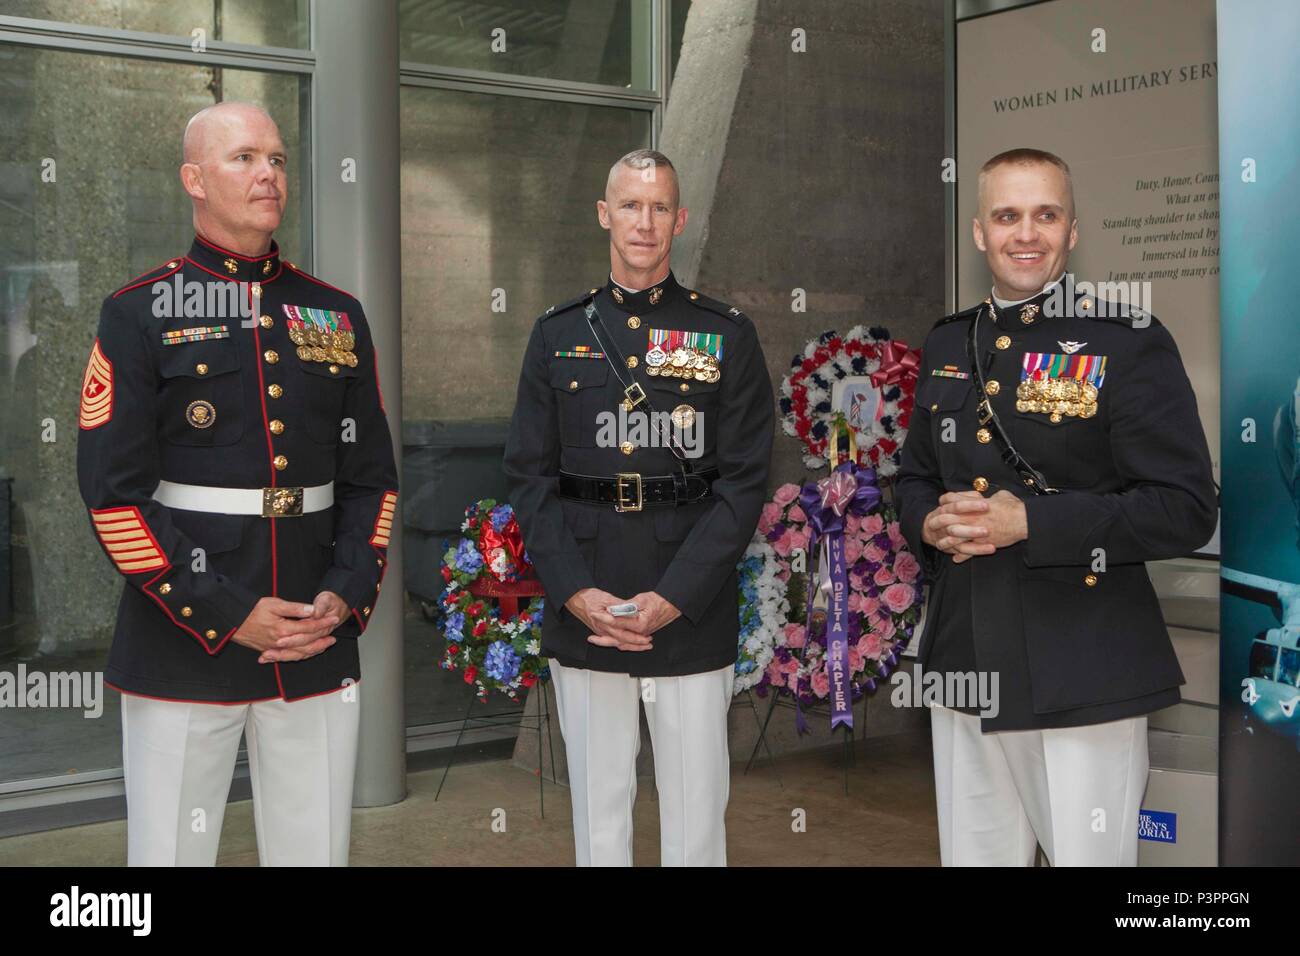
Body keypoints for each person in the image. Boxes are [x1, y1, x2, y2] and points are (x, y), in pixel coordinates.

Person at [76, 102, 398, 866]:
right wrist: (226, 610)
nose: (268, 175)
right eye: (244, 158)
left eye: (278, 160)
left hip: (315, 633)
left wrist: (345, 594)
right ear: (194, 179)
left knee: (315, 851)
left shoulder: (336, 313)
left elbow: (371, 481)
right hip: (185, 634)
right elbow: (113, 492)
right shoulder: (139, 310)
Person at [896, 147, 1217, 866]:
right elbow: (913, 475)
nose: (1026, 233)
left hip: (1083, 660)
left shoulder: (1127, 342)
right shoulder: (951, 341)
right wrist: (927, 522)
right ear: (980, 231)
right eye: (1007, 216)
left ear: (1072, 231)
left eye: (1046, 215)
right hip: (965, 653)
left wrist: (1031, 523)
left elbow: (1184, 507)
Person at [503, 149, 774, 866]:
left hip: (689, 599)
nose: (644, 222)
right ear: (604, 214)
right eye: (630, 205)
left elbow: (745, 480)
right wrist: (574, 592)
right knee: (597, 815)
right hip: (587, 597)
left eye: (659, 207)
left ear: (680, 220)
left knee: (694, 817)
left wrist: (674, 596)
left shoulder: (726, 333)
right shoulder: (557, 333)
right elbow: (528, 478)